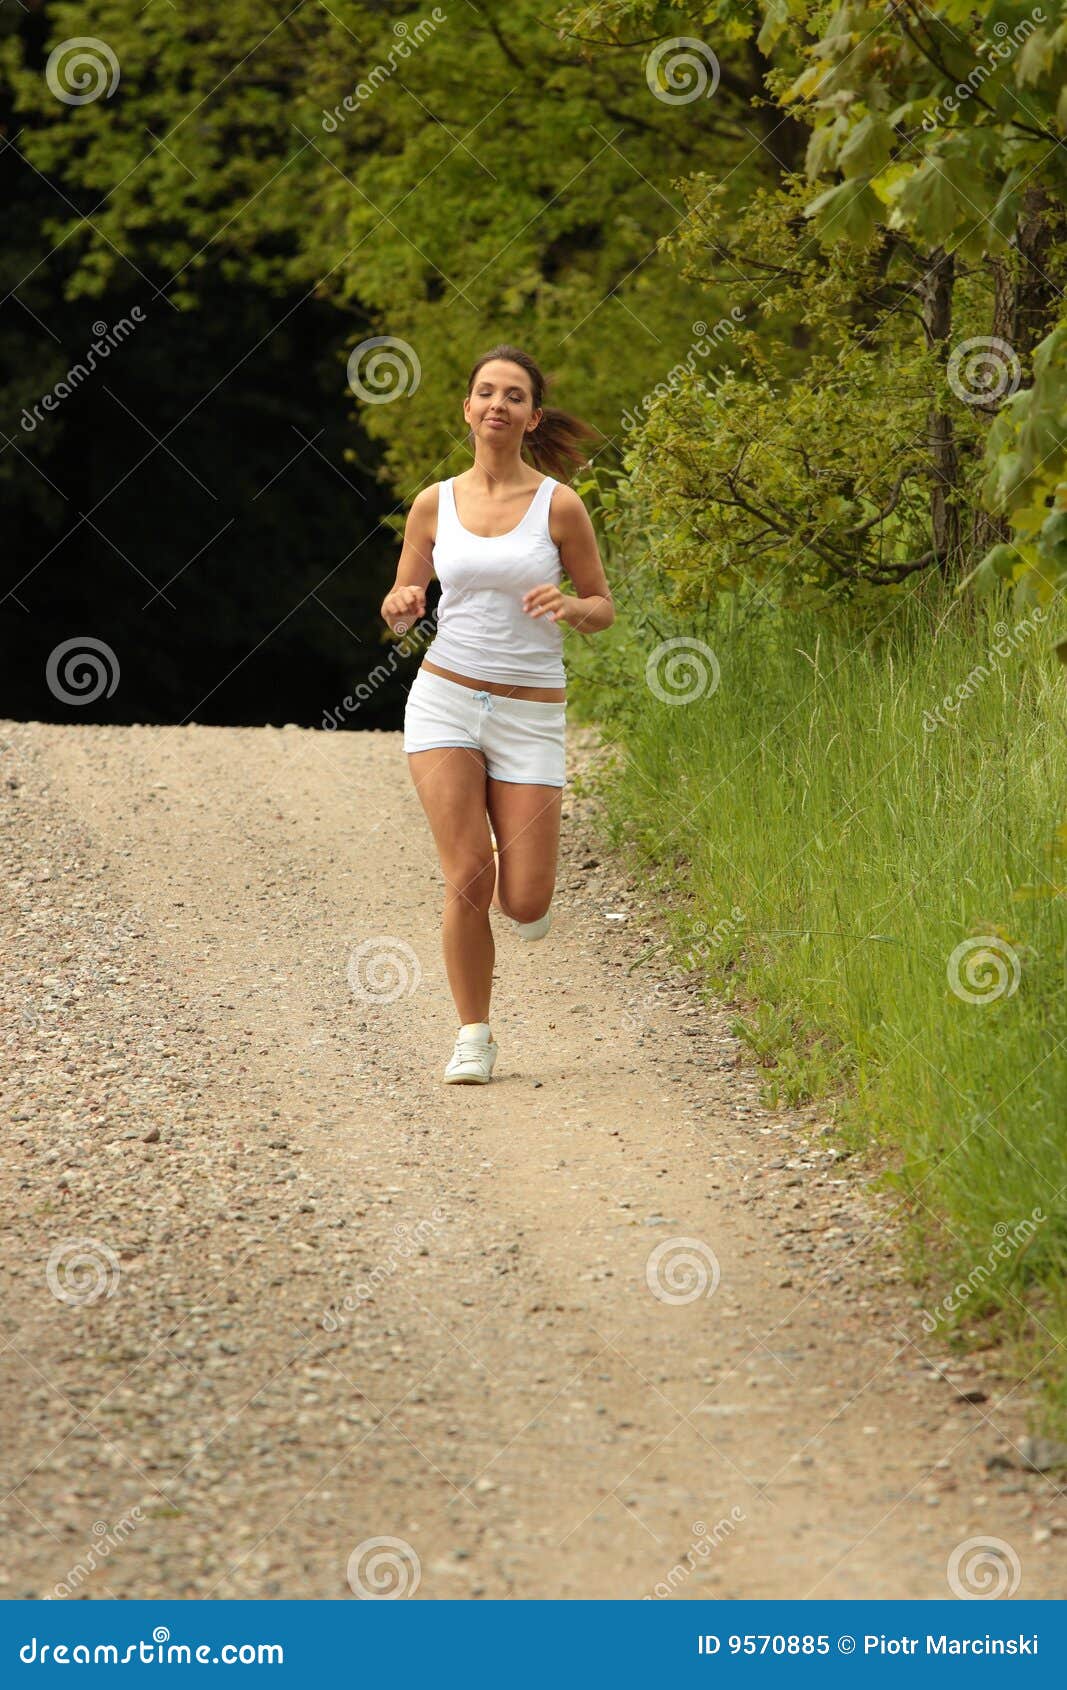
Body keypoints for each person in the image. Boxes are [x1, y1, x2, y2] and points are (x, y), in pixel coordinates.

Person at [380, 344, 615, 1083]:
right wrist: (399, 606)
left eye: (513, 395)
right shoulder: (433, 503)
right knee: (467, 876)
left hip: (529, 712)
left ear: (531, 416)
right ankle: (472, 1036)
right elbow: (400, 599)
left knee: (522, 900)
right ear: (467, 409)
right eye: (485, 391)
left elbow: (601, 607)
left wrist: (570, 606)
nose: (496, 405)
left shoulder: (558, 506)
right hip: (445, 696)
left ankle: (528, 905)